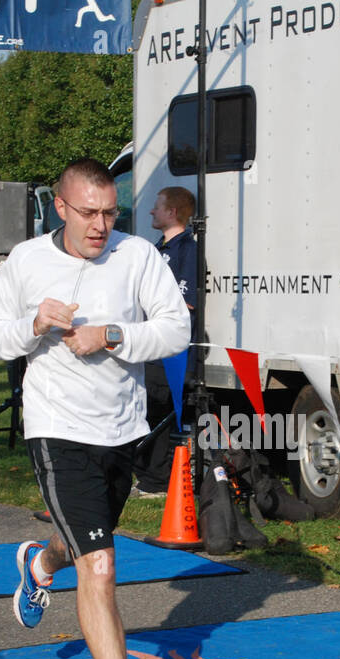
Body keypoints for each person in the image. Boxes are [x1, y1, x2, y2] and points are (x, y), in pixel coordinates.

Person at [0, 157, 190, 659]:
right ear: (61, 207)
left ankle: (39, 564)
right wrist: (32, 324)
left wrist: (115, 334)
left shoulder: (137, 256)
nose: (100, 225)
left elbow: (175, 330)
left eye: (109, 212)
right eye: (88, 212)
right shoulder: (27, 261)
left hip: (122, 429)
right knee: (100, 562)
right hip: (56, 429)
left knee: (80, 543)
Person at [134, 186, 198, 495]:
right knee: (143, 408)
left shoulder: (188, 250)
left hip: (168, 350)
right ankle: (144, 474)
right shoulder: (156, 249)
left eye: (157, 206)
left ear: (172, 212)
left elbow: (184, 304)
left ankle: (157, 481)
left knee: (160, 409)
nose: (151, 211)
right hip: (147, 345)